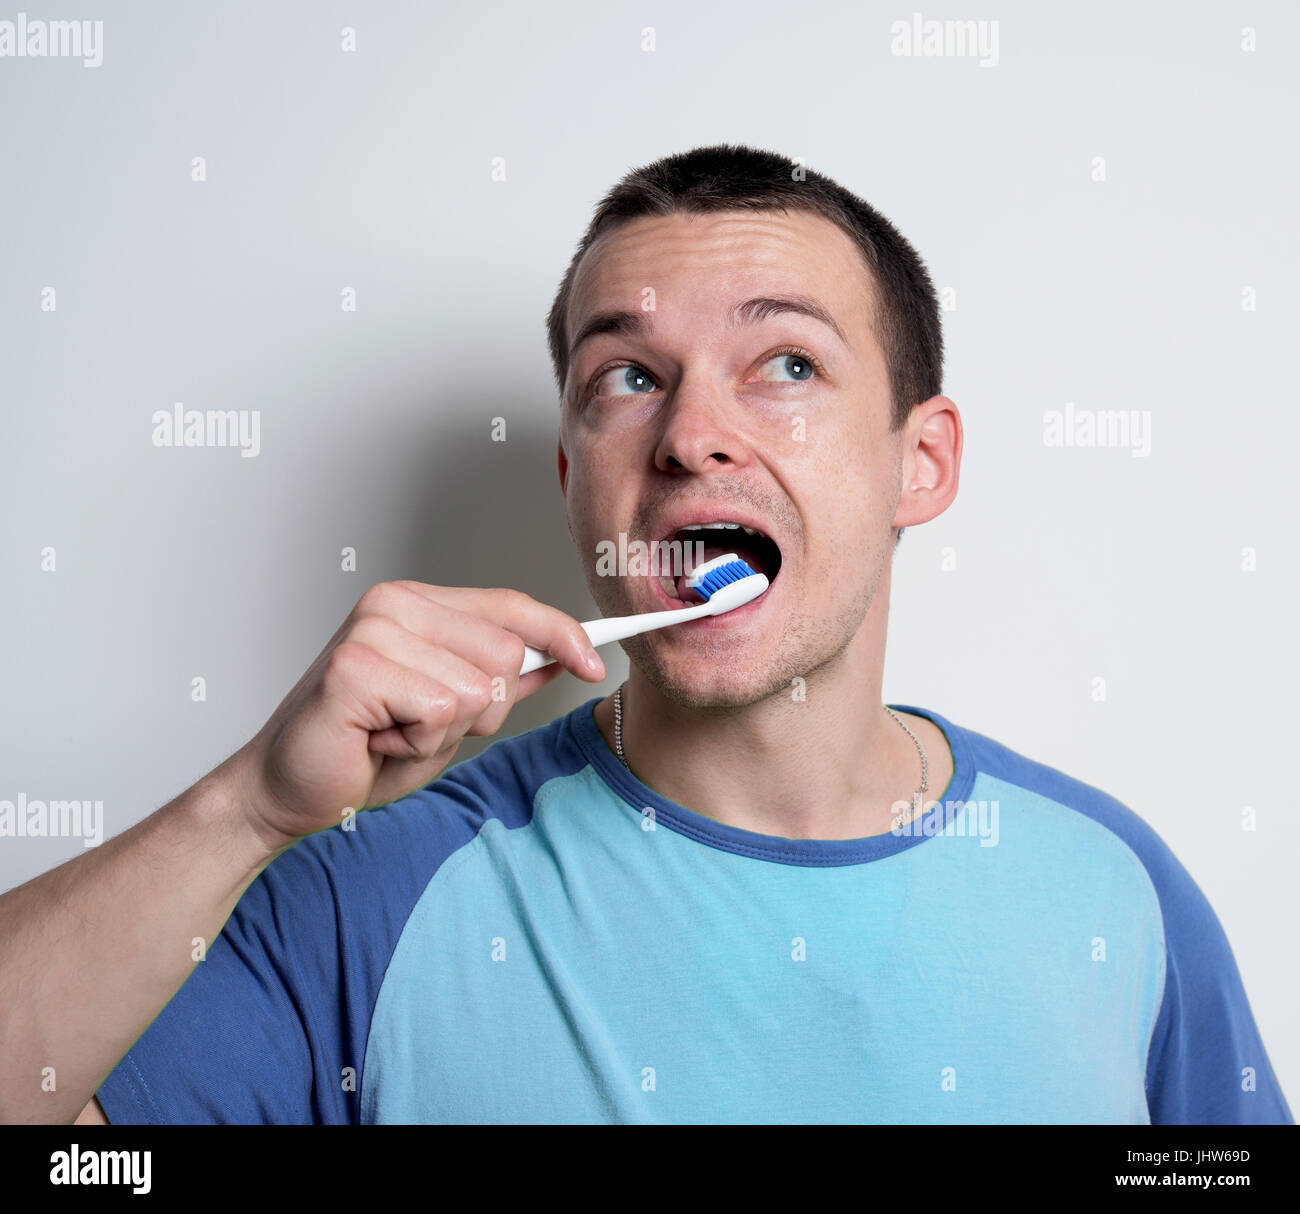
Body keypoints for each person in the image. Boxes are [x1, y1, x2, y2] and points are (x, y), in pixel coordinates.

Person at [2, 144, 1289, 1125]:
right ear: (573, 475)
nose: (687, 434)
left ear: (922, 463)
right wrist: (244, 809)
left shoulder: (1114, 888)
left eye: (785, 362)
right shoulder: (368, 897)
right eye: (627, 375)